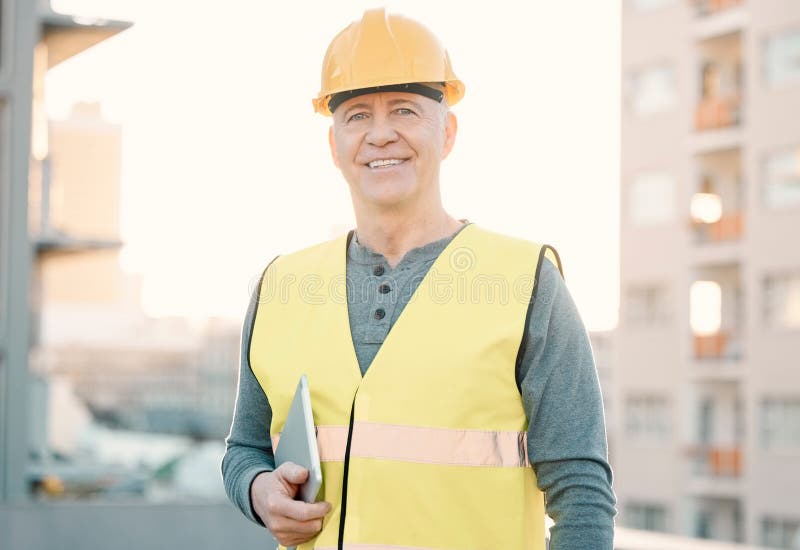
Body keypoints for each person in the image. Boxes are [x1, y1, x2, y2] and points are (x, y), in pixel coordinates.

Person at [222, 8, 616, 549]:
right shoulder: (281, 285)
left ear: (447, 131)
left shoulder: (526, 282)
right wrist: (257, 489)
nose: (380, 134)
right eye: (357, 115)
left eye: (404, 109)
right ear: (333, 144)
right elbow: (243, 448)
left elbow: (581, 492)